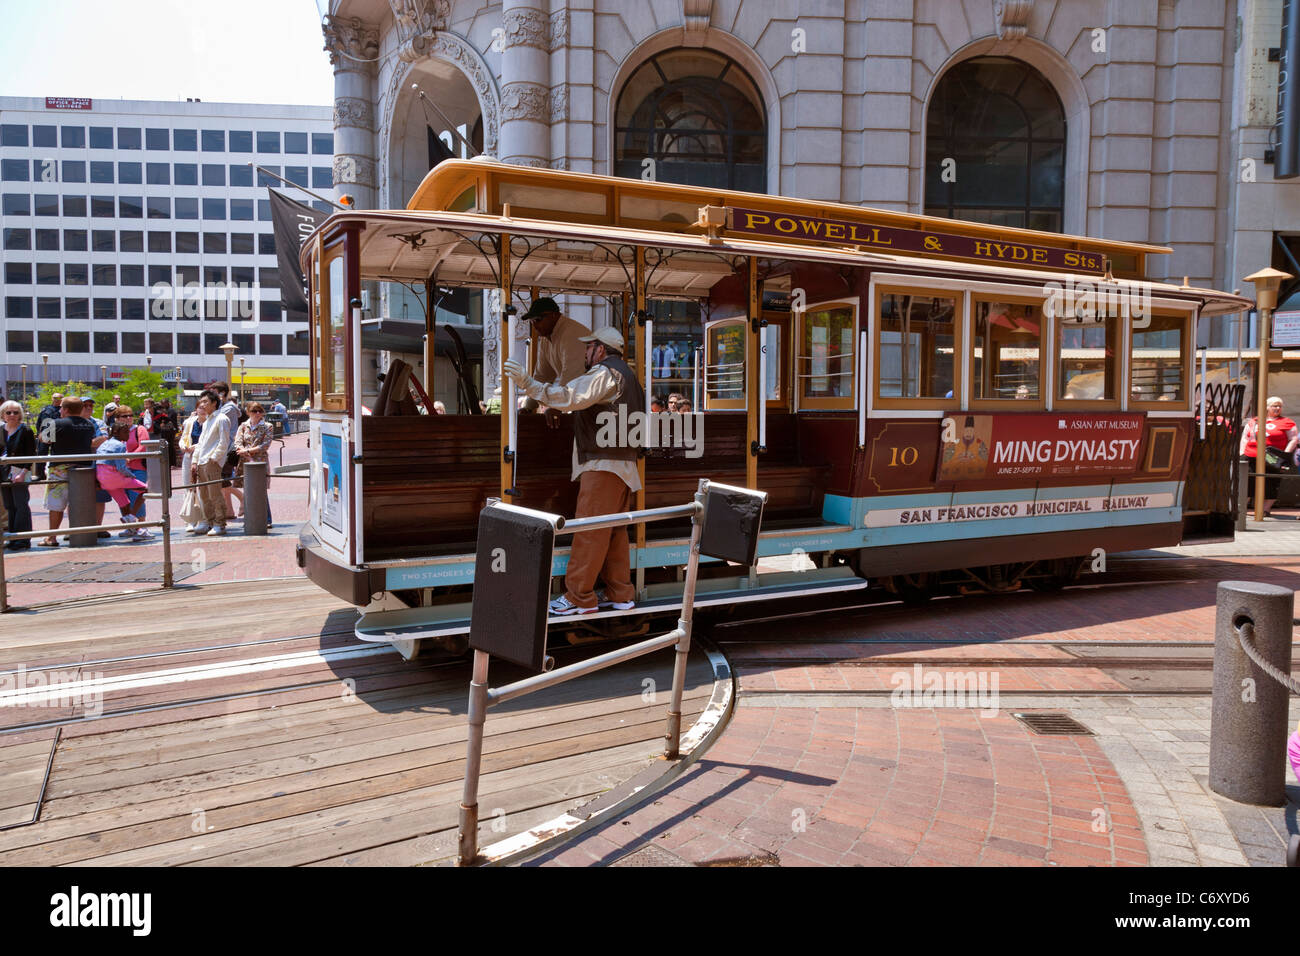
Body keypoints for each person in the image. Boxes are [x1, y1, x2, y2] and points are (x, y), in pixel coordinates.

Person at [503, 325, 643, 615]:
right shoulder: (628, 376)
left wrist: (529, 384)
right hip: (623, 464)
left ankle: (579, 597)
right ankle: (620, 593)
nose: (585, 352)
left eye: (589, 347)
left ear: (600, 349)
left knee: (590, 529)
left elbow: (570, 397)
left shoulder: (605, 372)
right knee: (614, 532)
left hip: (603, 464)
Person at [518, 297, 588, 418]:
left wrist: (556, 408)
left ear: (554, 315)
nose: (535, 326)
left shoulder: (571, 334)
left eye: (538, 320)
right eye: (532, 321)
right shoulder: (546, 339)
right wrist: (528, 407)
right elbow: (541, 377)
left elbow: (571, 377)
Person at [40, 397, 96, 547]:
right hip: (83, 470)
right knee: (77, 503)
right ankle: (77, 535)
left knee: (56, 505)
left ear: (65, 409)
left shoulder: (56, 423)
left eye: (61, 408)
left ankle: (51, 537)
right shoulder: (89, 425)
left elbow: (44, 440)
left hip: (59, 469)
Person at [1240, 396, 1299, 516]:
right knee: (1248, 481)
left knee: (1271, 482)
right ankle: (1242, 509)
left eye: (1279, 406)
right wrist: (1242, 453)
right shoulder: (1255, 421)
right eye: (1274, 405)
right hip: (1251, 455)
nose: (1277, 408)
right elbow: (1245, 438)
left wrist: (1285, 454)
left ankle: (1265, 510)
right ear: (1267, 407)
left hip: (1273, 458)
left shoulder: (1287, 422)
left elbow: (1293, 439)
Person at [96, 421, 151, 537]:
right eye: (125, 432)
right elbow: (121, 467)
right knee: (146, 489)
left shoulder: (104, 444)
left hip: (103, 480)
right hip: (115, 477)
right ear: (116, 433)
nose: (128, 435)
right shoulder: (120, 445)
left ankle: (131, 528)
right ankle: (132, 516)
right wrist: (132, 476)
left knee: (124, 503)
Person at [190, 389, 230, 536]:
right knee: (204, 495)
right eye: (201, 402)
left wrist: (214, 458)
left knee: (215, 494)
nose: (203, 404)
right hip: (201, 461)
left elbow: (223, 441)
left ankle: (219, 523)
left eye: (206, 401)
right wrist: (194, 461)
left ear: (214, 403)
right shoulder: (207, 421)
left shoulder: (221, 419)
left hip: (211, 462)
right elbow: (200, 443)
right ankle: (208, 521)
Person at [1, 400, 36, 550]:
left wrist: (23, 473)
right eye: (8, 412)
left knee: (21, 505)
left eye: (15, 412)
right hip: (4, 473)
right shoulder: (1, 430)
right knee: (9, 506)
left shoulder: (26, 430)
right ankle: (13, 537)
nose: (12, 415)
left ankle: (23, 539)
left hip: (20, 472)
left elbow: (30, 455)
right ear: (3, 414)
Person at [233, 402, 274, 528]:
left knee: (260, 490)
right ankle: (250, 518)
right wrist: (244, 452)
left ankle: (266, 519)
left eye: (259, 411)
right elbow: (237, 442)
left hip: (260, 462)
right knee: (248, 490)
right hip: (245, 462)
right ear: (248, 412)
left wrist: (248, 451)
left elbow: (265, 445)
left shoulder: (267, 426)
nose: (257, 414)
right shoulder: (243, 426)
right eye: (254, 411)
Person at [208, 382, 244, 519]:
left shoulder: (228, 408)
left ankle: (243, 498)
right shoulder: (223, 407)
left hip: (228, 448)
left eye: (214, 391)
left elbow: (214, 418)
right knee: (224, 480)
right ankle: (229, 511)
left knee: (222, 479)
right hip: (223, 447)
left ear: (222, 392)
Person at [115, 405, 152, 534]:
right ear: (118, 418)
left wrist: (129, 458)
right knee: (124, 499)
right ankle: (130, 526)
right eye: (125, 416)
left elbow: (143, 446)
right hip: (120, 470)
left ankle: (142, 525)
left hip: (137, 468)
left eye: (130, 415)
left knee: (137, 496)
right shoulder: (116, 431)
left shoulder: (139, 429)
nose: (129, 418)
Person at [79, 397, 112, 537]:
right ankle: (76, 528)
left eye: (90, 405)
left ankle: (98, 527)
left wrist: (81, 443)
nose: (88, 408)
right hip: (78, 467)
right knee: (76, 497)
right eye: (84, 405)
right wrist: (90, 442)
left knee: (100, 497)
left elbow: (103, 440)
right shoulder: (71, 423)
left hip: (98, 466)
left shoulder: (98, 422)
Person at [178, 400, 208, 533]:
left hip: (202, 457)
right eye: (199, 407)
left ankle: (204, 519)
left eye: (204, 407)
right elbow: (184, 437)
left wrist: (195, 447)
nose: (202, 409)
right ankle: (189, 520)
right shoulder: (190, 422)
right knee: (188, 488)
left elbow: (208, 440)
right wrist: (183, 446)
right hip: (188, 457)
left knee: (202, 490)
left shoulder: (210, 422)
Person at [33, 391, 62, 481]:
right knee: (41, 454)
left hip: (58, 435)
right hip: (45, 433)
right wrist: (39, 433)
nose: (57, 400)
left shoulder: (63, 410)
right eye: (55, 398)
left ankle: (55, 475)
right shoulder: (46, 409)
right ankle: (40, 474)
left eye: (59, 398)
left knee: (57, 455)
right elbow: (39, 422)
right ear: (52, 399)